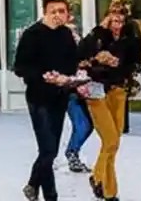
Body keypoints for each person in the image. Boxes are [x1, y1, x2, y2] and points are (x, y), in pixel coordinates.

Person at [13, 0, 82, 201]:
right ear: (45, 12)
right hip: (38, 97)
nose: (57, 15)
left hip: (59, 97)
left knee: (49, 150)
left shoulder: (66, 35)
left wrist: (66, 77)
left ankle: (33, 185)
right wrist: (44, 76)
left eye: (62, 11)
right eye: (53, 11)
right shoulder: (32, 34)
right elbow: (20, 67)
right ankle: (50, 195)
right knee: (48, 149)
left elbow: (73, 63)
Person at [79, 0, 141, 201]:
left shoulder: (130, 38)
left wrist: (117, 62)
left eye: (121, 21)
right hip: (97, 90)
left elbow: (134, 62)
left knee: (113, 142)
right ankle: (109, 191)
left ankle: (97, 177)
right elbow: (81, 52)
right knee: (110, 139)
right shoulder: (98, 35)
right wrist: (99, 53)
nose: (117, 25)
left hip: (119, 90)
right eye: (113, 20)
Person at [63, 23, 92, 174]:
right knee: (83, 125)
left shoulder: (80, 49)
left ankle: (73, 151)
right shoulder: (63, 52)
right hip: (70, 92)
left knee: (87, 125)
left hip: (82, 91)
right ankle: (72, 152)